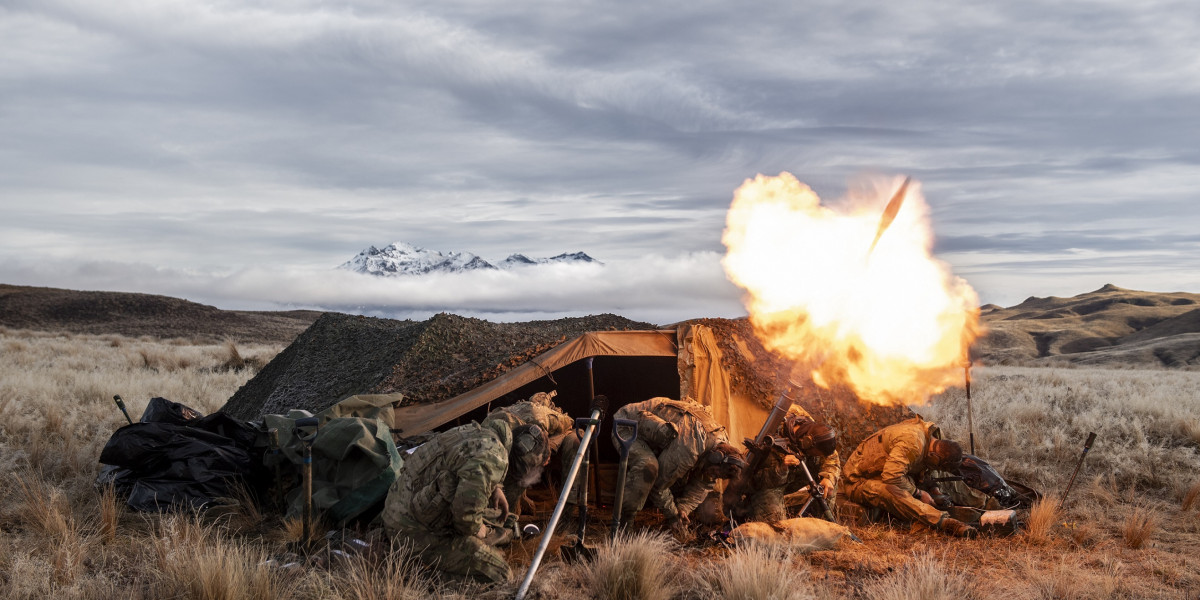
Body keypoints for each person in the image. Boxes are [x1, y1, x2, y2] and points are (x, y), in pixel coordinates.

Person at [382, 419, 549, 583]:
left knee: (506, 520)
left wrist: (496, 487)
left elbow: (468, 462)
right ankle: (416, 577)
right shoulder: (493, 459)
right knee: (501, 575)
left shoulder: (483, 434)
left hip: (397, 503)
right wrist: (481, 531)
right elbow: (466, 521)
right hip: (410, 531)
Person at [563, 396, 745, 531]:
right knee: (649, 467)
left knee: (667, 472)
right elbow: (659, 485)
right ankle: (623, 525)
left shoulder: (721, 443)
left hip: (659, 440)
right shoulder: (690, 447)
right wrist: (672, 514)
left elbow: (703, 484)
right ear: (715, 457)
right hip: (627, 426)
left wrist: (683, 510)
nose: (713, 476)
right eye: (715, 472)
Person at [839, 416, 978, 538]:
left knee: (944, 478)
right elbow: (891, 478)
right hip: (858, 480)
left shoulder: (934, 440)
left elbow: (927, 468)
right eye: (937, 465)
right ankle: (944, 522)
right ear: (934, 458)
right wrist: (919, 493)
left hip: (891, 472)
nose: (937, 468)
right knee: (889, 491)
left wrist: (934, 489)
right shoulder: (912, 444)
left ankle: (983, 504)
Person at [482, 391, 574, 528]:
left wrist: (547, 451)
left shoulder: (544, 417)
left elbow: (569, 422)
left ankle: (565, 515)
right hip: (504, 447)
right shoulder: (490, 437)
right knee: (503, 489)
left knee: (575, 441)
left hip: (542, 439)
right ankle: (507, 520)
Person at [736, 406, 841, 523]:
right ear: (806, 442)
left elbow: (831, 457)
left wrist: (828, 478)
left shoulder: (810, 429)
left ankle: (821, 527)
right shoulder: (769, 443)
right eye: (814, 454)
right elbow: (752, 483)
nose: (816, 456)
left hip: (791, 485)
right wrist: (782, 468)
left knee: (828, 485)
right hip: (767, 490)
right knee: (778, 531)